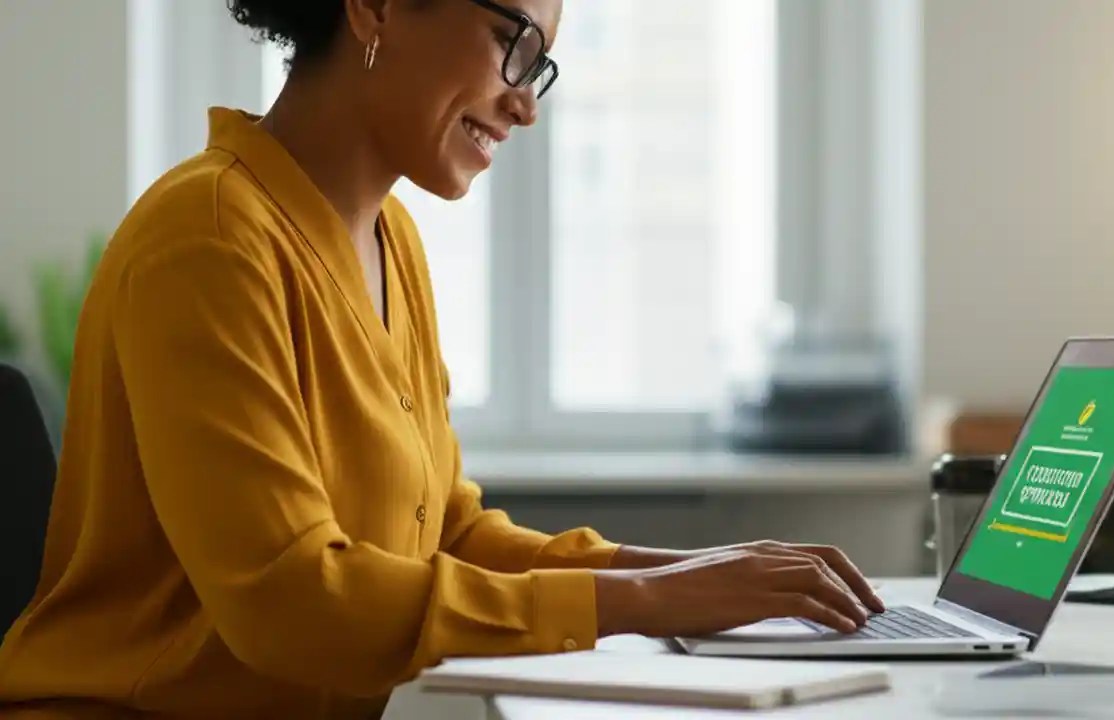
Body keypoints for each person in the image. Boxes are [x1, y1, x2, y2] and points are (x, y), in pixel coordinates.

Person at [0, 0, 884, 717]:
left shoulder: (392, 241)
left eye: (539, 65)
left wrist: (685, 574)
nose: (526, 102)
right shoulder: (212, 239)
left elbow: (447, 534)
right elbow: (289, 602)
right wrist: (651, 605)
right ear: (375, 7)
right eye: (512, 42)